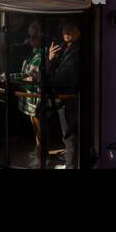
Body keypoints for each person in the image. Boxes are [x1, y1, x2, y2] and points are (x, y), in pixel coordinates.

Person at [47, 18, 81, 168]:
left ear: (78, 30)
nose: (66, 32)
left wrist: (49, 63)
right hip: (66, 98)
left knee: (69, 136)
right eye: (64, 29)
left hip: (69, 99)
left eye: (70, 28)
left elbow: (58, 78)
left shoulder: (76, 51)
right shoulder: (66, 47)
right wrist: (51, 59)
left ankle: (71, 166)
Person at [16, 19, 47, 167]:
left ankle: (41, 157)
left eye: (34, 37)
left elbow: (33, 77)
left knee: (39, 129)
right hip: (31, 96)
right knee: (36, 129)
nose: (30, 40)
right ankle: (39, 153)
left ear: (41, 38)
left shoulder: (41, 55)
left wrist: (15, 77)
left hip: (36, 98)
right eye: (30, 36)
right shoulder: (34, 52)